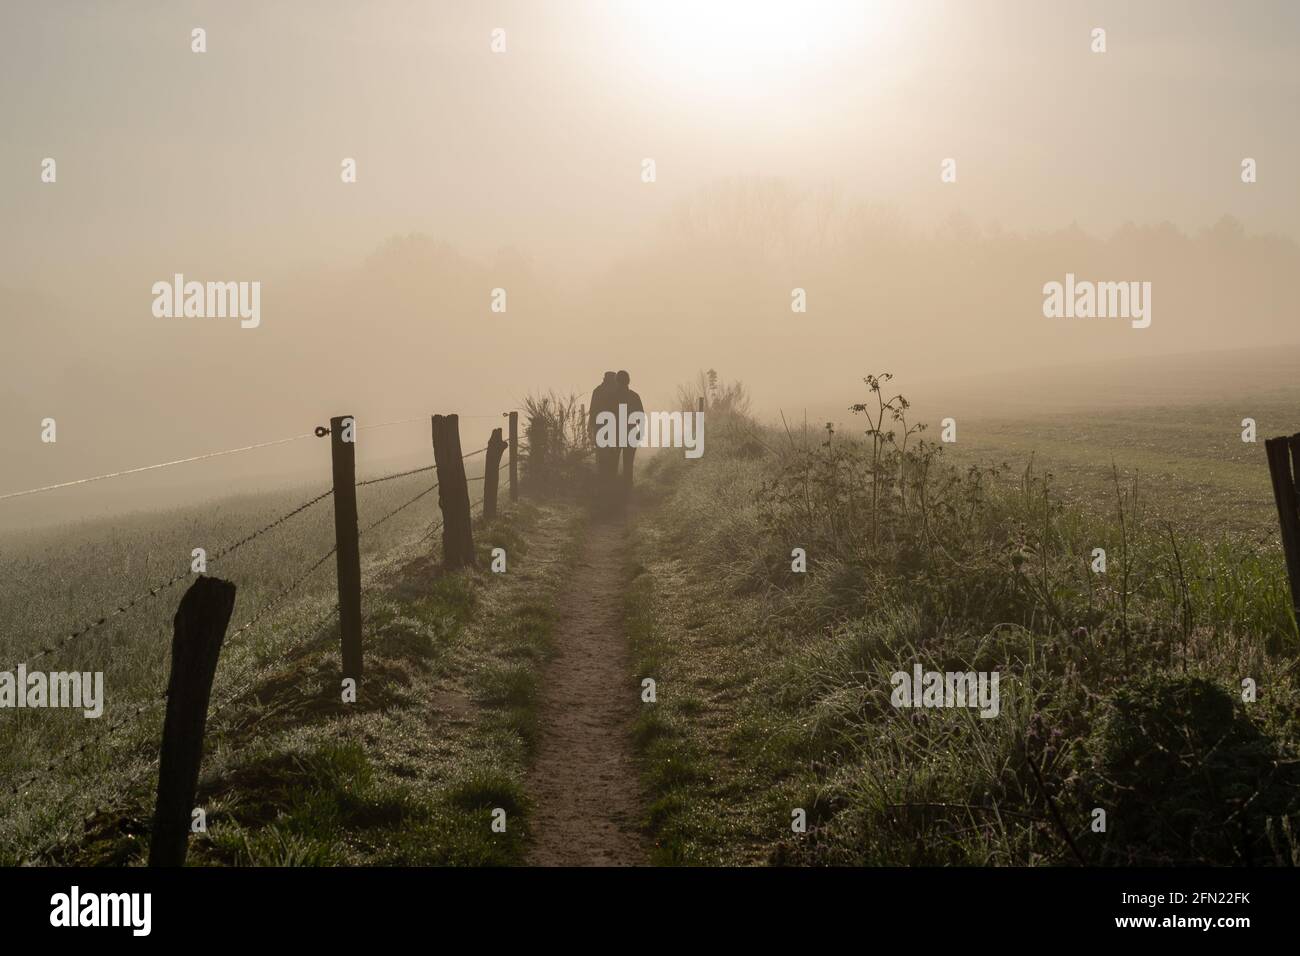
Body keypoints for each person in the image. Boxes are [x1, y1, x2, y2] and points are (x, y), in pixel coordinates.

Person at [589, 371, 620, 507]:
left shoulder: (598, 391)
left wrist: (590, 428)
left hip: (601, 428)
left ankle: (602, 490)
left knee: (602, 458)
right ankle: (611, 489)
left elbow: (592, 411)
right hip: (613, 429)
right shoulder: (617, 391)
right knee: (612, 458)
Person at [615, 370, 643, 500]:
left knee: (613, 463)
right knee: (628, 463)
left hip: (613, 434)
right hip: (631, 433)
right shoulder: (634, 396)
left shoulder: (612, 397)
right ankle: (627, 491)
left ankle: (614, 492)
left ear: (617, 381)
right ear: (628, 381)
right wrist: (640, 432)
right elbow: (640, 416)